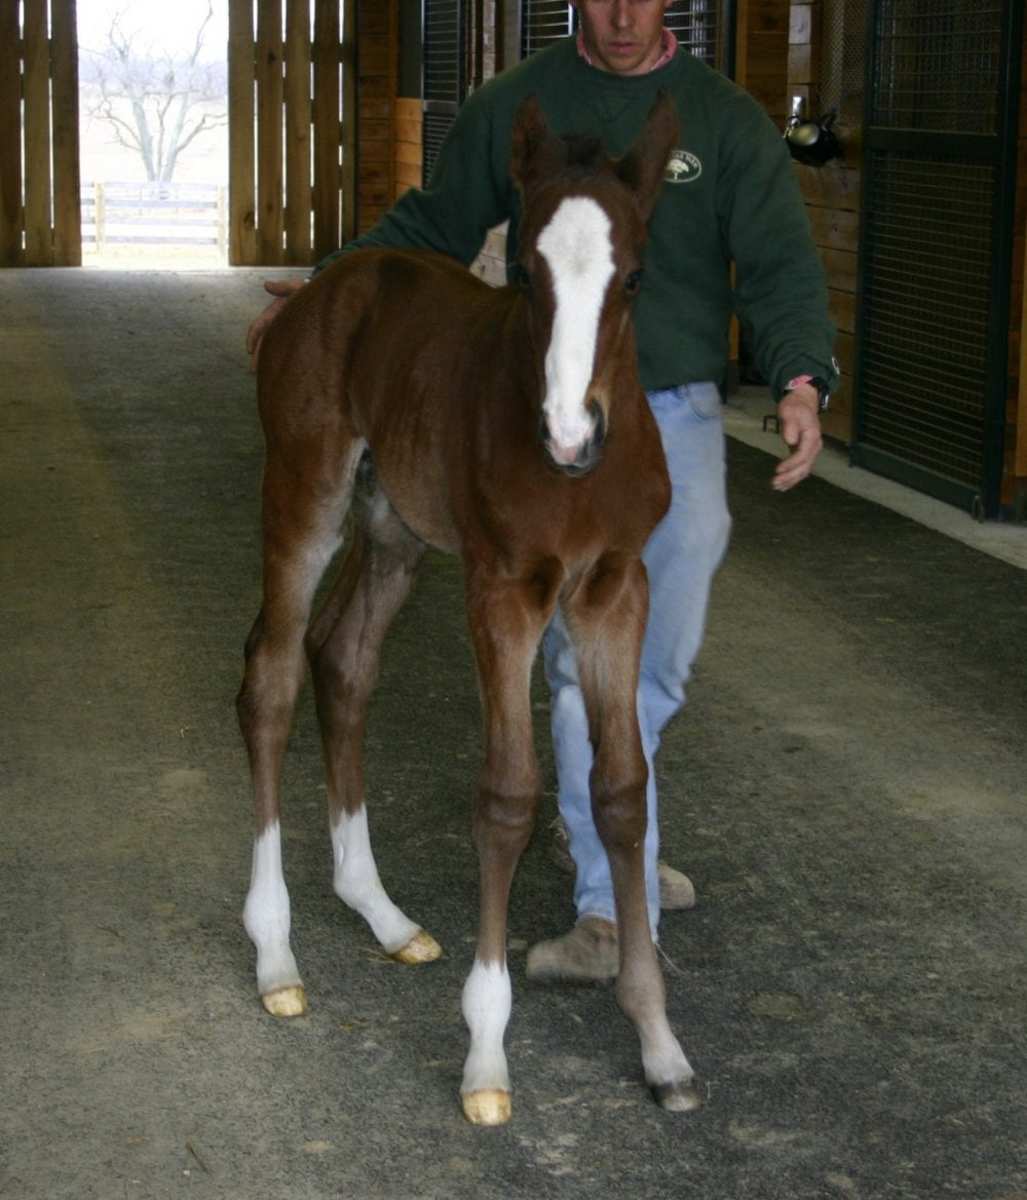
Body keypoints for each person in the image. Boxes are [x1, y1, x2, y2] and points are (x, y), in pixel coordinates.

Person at [246, 0, 837, 983]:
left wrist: (801, 379)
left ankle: (609, 831)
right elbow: (431, 224)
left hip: (672, 408)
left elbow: (779, 261)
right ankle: (611, 894)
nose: (617, 13)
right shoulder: (515, 104)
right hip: (541, 399)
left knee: (657, 664)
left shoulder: (720, 118)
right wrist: (320, 288)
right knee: (580, 661)